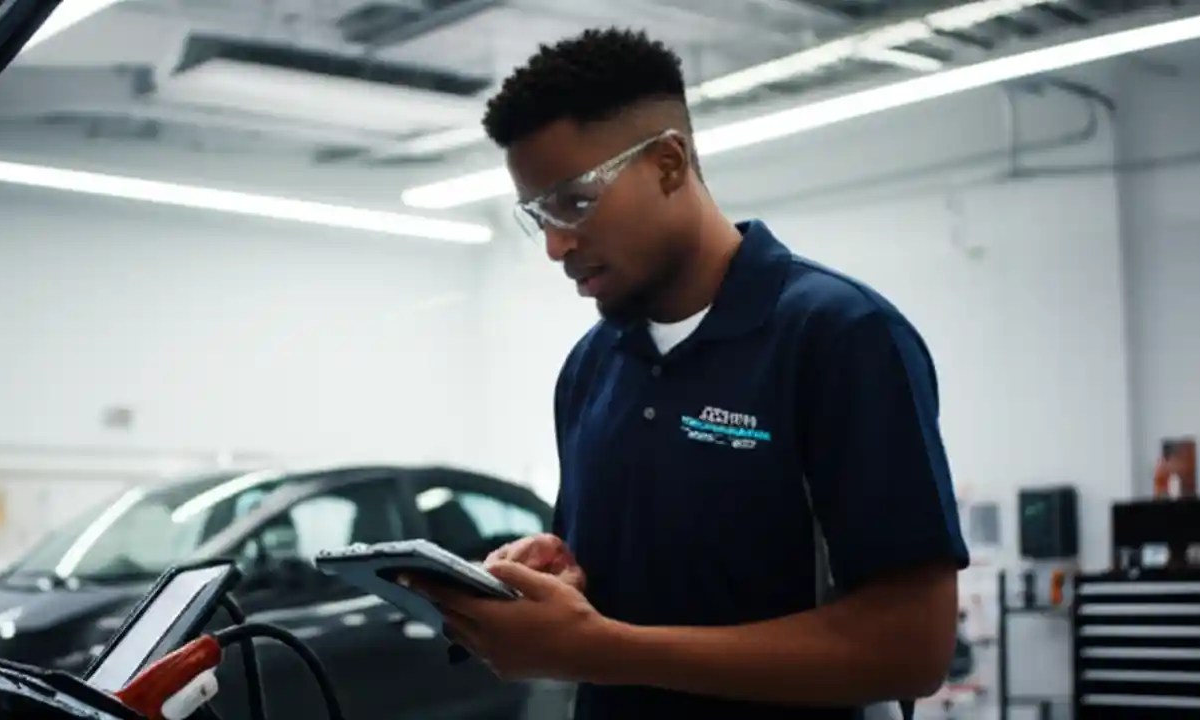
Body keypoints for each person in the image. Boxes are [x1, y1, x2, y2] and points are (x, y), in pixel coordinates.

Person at [413, 27, 970, 719]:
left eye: (576, 202)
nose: (557, 245)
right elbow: (638, 594)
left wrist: (598, 649)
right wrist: (558, 581)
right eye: (540, 217)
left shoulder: (838, 337)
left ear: (669, 164)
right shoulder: (592, 367)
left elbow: (910, 649)